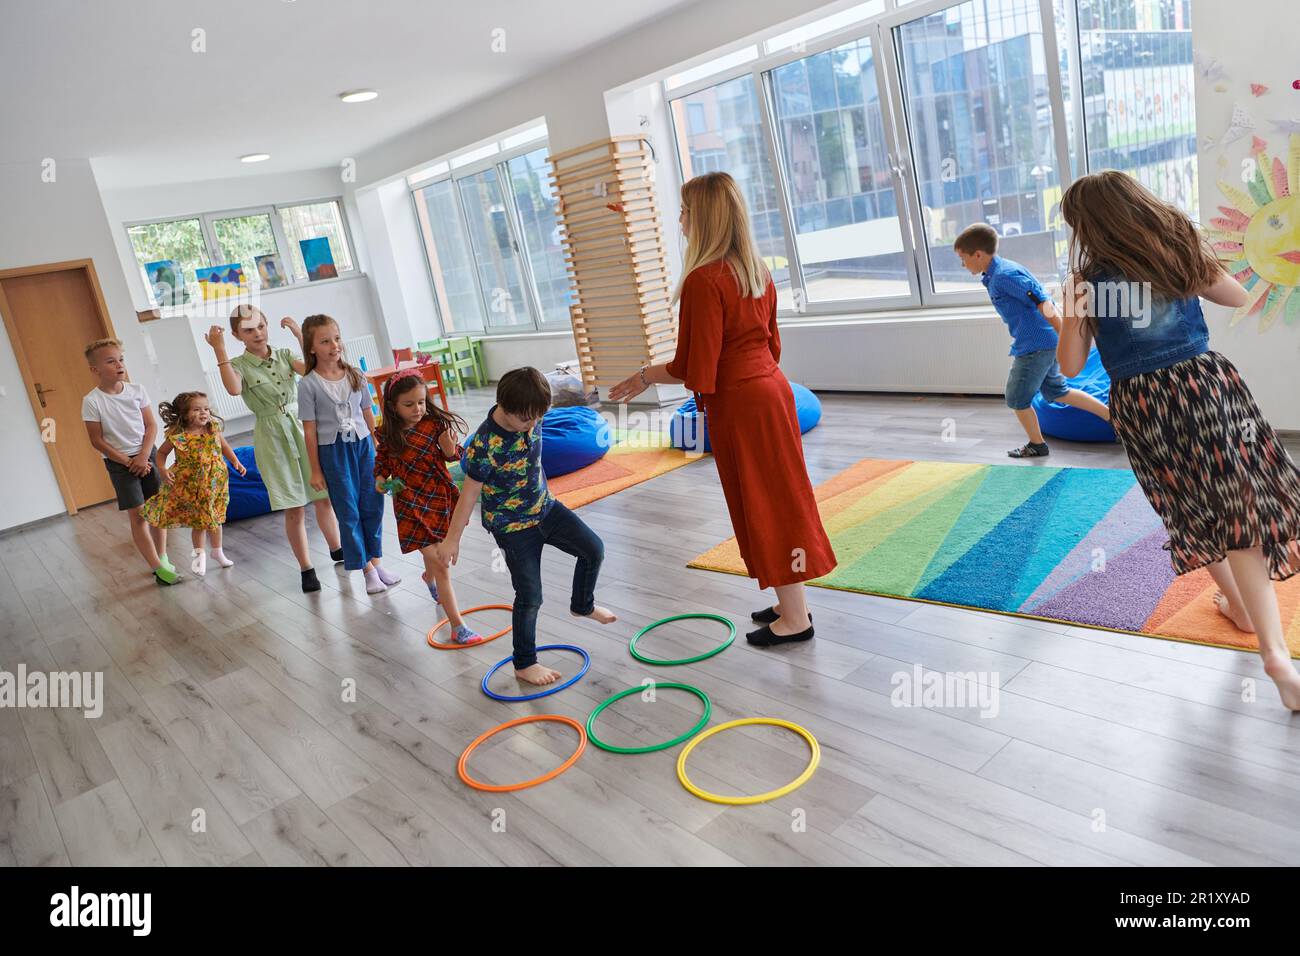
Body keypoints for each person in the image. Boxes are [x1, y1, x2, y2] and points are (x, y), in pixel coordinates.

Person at [1058, 170, 1300, 710]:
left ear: (1085, 226)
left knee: (1187, 505)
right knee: (1238, 509)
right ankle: (1275, 652)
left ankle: (1236, 604)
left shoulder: (1083, 283)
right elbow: (1236, 297)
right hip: (1203, 388)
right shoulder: (1176, 252)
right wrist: (1190, 264)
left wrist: (1073, 311)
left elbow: (1070, 366)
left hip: (1142, 407)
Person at [608, 171, 836, 647]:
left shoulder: (703, 280)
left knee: (765, 502)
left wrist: (646, 374)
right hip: (771, 392)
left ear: (704, 218)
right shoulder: (755, 269)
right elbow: (772, 347)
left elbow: (698, 367)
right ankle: (788, 602)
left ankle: (795, 619)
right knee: (779, 495)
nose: (680, 220)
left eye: (686, 211)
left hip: (744, 403)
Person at [436, 368, 616, 684]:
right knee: (530, 594)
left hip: (546, 509)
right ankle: (524, 663)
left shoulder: (532, 413)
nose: (532, 425)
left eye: (537, 418)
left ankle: (582, 605)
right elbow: (468, 496)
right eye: (526, 420)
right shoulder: (484, 444)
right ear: (503, 406)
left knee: (594, 550)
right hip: (512, 527)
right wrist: (452, 540)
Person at [206, 306, 342, 592]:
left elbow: (314, 372)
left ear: (267, 326)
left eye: (260, 326)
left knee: (323, 497)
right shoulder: (238, 364)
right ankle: (306, 567)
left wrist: (299, 336)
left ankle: (338, 549)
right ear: (237, 335)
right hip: (271, 435)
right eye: (248, 330)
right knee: (293, 507)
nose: (257, 333)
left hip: (302, 427)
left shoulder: (284, 355)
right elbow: (232, 389)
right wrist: (219, 350)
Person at [954, 222, 1110, 459]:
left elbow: (1043, 301)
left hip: (1036, 346)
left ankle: (1037, 445)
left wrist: (1065, 335)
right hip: (1041, 342)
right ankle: (1114, 418)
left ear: (978, 254)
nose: (962, 264)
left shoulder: (1004, 276)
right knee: (1057, 392)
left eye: (963, 258)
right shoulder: (999, 272)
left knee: (1016, 397)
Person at [374, 372, 482, 643]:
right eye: (409, 405)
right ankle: (458, 628)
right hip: (409, 503)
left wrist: (450, 449)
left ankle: (428, 577)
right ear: (393, 406)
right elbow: (383, 459)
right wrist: (379, 478)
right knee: (441, 562)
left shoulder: (435, 425)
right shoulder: (388, 433)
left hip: (439, 497)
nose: (418, 409)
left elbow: (455, 458)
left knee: (435, 554)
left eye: (421, 402)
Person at [298, 314, 398, 595]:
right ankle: (366, 570)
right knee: (348, 510)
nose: (334, 345)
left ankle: (377, 563)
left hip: (364, 447)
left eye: (337, 338)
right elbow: (309, 431)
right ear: (311, 347)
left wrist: (379, 449)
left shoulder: (355, 374)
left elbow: (368, 412)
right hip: (333, 453)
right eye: (325, 341)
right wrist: (315, 470)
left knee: (372, 505)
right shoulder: (308, 385)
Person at [80, 338, 179, 585]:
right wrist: (128, 462)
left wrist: (144, 456)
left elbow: (151, 425)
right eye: (111, 361)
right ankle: (156, 566)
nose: (119, 365)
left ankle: (163, 557)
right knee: (138, 516)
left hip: (146, 455)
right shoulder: (92, 401)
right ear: (95, 370)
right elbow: (97, 440)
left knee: (156, 509)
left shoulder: (137, 390)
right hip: (120, 464)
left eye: (121, 359)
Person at [141, 391, 245, 575]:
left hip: (216, 481)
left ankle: (217, 551)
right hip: (192, 486)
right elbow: (161, 453)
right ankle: (199, 556)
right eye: (197, 409)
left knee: (216, 518)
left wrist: (235, 461)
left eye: (205, 408)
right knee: (199, 523)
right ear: (185, 414)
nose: (203, 412)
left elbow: (225, 447)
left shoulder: (212, 428)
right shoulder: (179, 436)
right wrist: (163, 470)